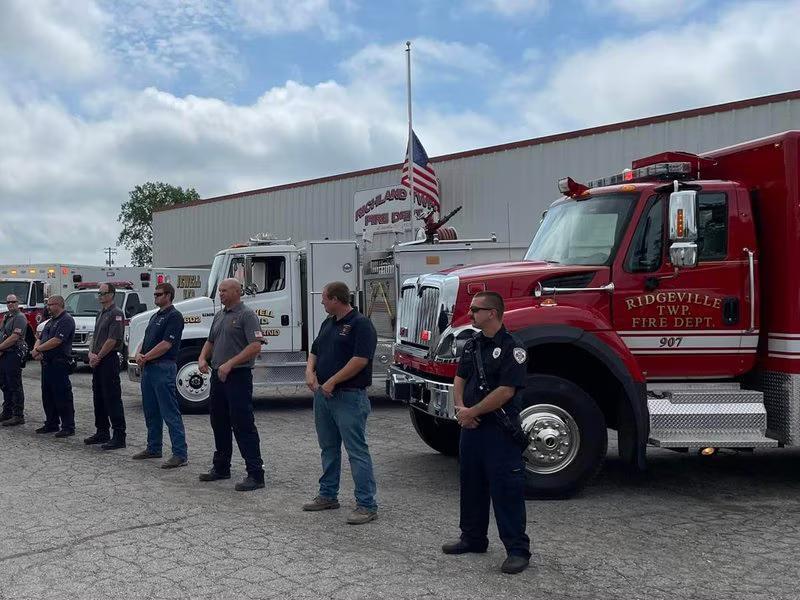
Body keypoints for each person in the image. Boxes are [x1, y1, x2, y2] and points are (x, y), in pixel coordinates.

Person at [442, 291, 531, 575]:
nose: (470, 315)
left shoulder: (512, 347)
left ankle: (517, 550)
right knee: (471, 484)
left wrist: (473, 412)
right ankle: (473, 537)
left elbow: (506, 390)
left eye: (475, 310)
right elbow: (460, 377)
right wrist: (460, 409)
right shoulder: (472, 344)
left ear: (492, 312)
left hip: (499, 430)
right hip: (472, 427)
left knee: (506, 490)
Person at [302, 281, 379, 525]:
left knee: (356, 451)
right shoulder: (328, 323)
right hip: (323, 397)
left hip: (348, 396)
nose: (322, 302)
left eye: (324, 298)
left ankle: (367, 504)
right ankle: (328, 495)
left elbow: (360, 360)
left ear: (336, 299)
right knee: (328, 448)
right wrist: (310, 372)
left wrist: (333, 381)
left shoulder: (361, 325)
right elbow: (315, 350)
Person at [197, 278, 265, 491]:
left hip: (238, 376)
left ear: (237, 292)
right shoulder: (220, 315)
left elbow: (255, 346)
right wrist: (201, 358)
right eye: (220, 291)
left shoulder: (247, 315)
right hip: (219, 376)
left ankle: (255, 473)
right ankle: (221, 467)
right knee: (219, 422)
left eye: (224, 290)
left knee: (243, 424)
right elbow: (210, 341)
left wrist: (231, 363)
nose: (221, 294)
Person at [132, 282, 188, 469]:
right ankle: (154, 447)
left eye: (158, 294)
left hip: (163, 368)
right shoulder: (156, 316)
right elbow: (146, 340)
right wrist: (139, 353)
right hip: (149, 368)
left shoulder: (174, 316)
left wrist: (146, 356)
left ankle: (180, 454)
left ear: (168, 295)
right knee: (151, 411)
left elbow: (166, 344)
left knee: (169, 412)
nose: (155, 297)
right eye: (155, 294)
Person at [85, 283, 127, 450]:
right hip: (98, 359)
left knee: (112, 398)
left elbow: (112, 340)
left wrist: (98, 356)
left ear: (111, 294)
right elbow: (95, 337)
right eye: (99, 293)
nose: (100, 296)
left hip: (108, 359)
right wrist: (90, 354)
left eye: (103, 293)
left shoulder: (116, 314)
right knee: (99, 397)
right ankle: (102, 431)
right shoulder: (100, 313)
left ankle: (119, 436)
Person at [31, 295, 76, 436]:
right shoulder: (50, 322)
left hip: (59, 363)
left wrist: (38, 350)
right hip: (47, 363)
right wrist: (36, 349)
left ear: (59, 304)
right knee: (48, 395)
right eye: (48, 304)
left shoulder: (66, 320)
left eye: (50, 304)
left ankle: (68, 426)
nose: (48, 307)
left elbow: (57, 341)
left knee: (62, 396)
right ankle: (51, 423)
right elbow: (40, 338)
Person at [0, 294, 28, 427]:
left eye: (13, 302)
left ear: (18, 303)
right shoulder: (7, 316)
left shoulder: (20, 317)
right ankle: (7, 411)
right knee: (5, 383)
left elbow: (14, 337)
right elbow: (2, 333)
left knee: (15, 384)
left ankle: (18, 415)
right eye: (8, 302)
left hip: (14, 353)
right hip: (5, 353)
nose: (10, 304)